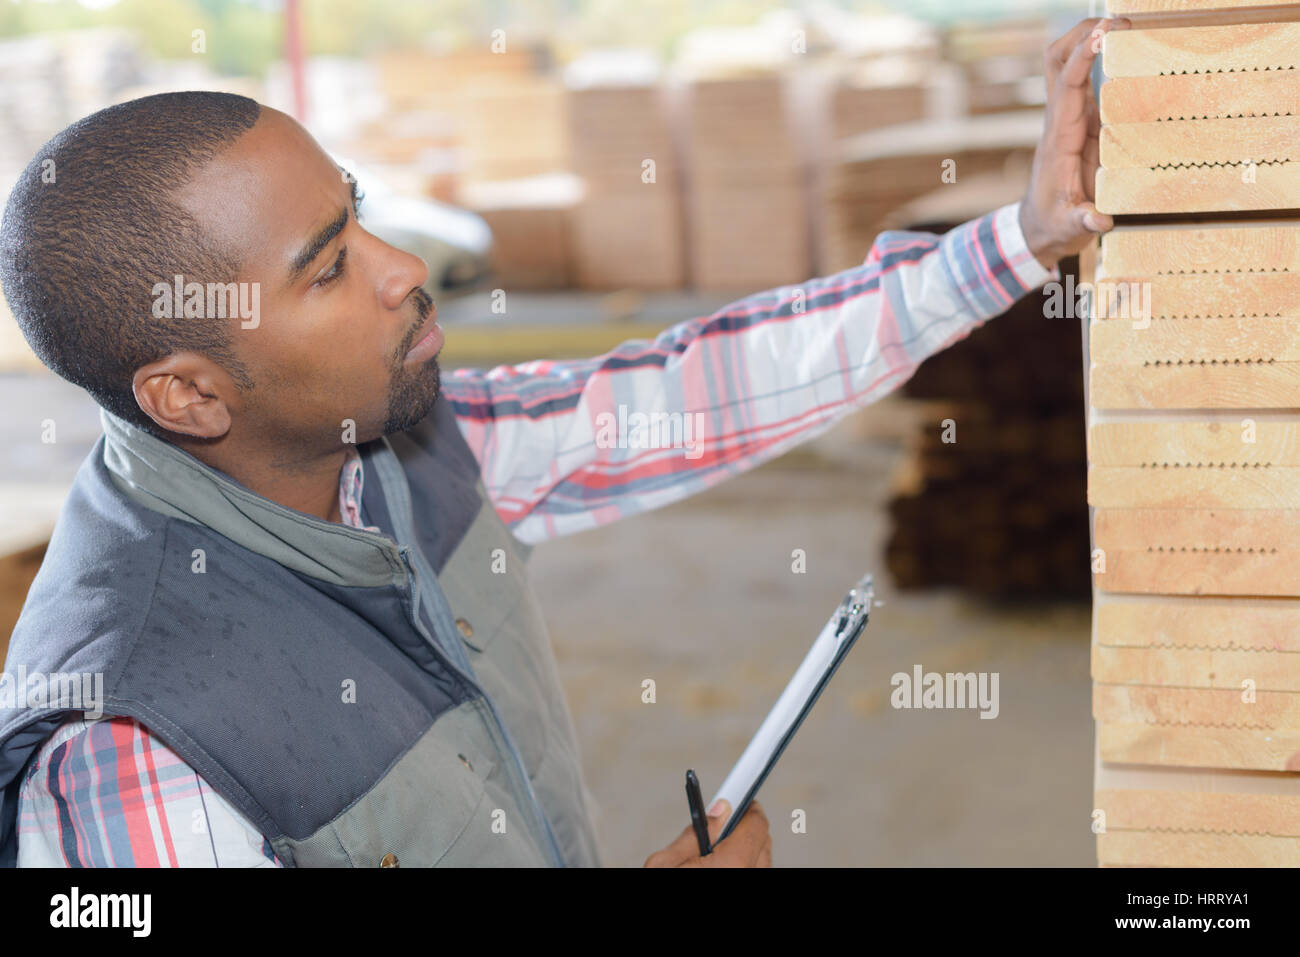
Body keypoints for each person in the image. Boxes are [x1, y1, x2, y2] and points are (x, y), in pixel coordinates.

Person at [0, 17, 1124, 867]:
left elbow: (694, 391)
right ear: (190, 397)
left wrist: (1015, 245)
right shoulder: (132, 751)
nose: (401, 269)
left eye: (359, 213)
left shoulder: (402, 451)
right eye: (330, 267)